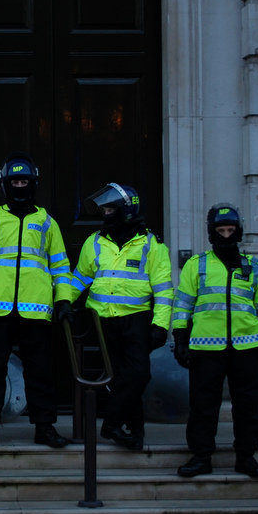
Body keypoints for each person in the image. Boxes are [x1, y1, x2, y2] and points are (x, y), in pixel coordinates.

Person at [0, 152, 73, 450]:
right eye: (14, 181)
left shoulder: (47, 222)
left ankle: (44, 427)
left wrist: (64, 300)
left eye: (24, 181)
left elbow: (61, 267)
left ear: (33, 184)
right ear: (5, 184)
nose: (20, 186)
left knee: (39, 372)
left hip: (36, 310)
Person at [172, 203, 258, 478]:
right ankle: (200, 457)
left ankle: (246, 457)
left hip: (247, 347)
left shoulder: (255, 267)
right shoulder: (197, 266)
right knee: (202, 406)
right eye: (220, 230)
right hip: (206, 348)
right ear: (211, 233)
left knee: (248, 406)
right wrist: (180, 339)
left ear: (239, 232)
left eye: (231, 230)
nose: (226, 235)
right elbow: (182, 304)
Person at [63, 183, 173, 451]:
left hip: (136, 320)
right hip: (103, 322)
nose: (106, 214)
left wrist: (160, 325)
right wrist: (64, 301)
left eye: (111, 209)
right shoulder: (95, 242)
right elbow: (80, 278)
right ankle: (135, 432)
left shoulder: (151, 244)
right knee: (121, 376)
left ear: (126, 210)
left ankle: (111, 424)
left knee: (137, 374)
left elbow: (164, 289)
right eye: (104, 209)